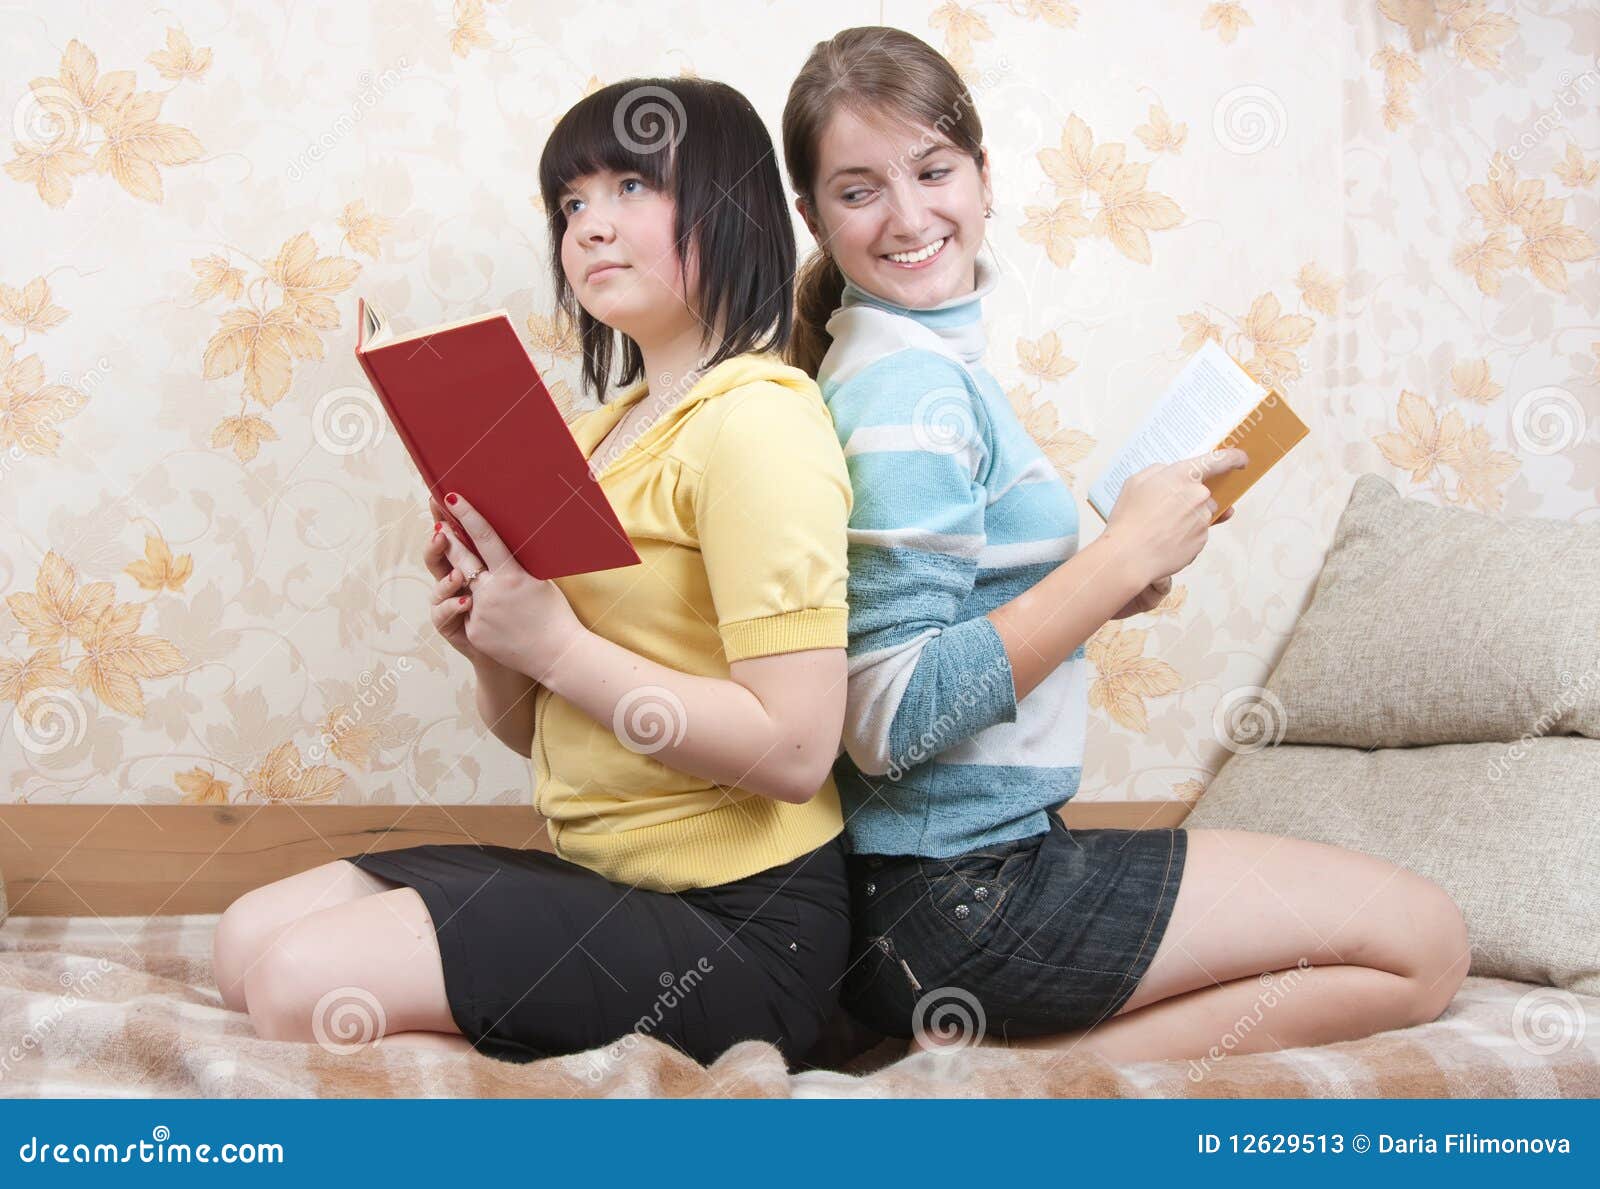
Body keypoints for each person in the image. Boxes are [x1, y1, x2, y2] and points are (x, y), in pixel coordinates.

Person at [780, 26, 1470, 1060]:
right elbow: (883, 715)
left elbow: (950, 624)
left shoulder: (905, 362)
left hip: (950, 895)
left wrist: (1107, 581)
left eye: (932, 170)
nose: (911, 215)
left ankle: (992, 1069)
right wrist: (1112, 562)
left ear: (982, 177)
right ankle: (1015, 1082)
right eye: (858, 188)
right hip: (957, 899)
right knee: (1424, 943)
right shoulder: (904, 387)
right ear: (812, 215)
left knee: (1401, 934)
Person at [213, 77, 855, 1069]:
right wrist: (496, 642)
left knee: (302, 981)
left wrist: (556, 641)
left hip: (750, 928)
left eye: (632, 186)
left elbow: (797, 750)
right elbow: (536, 733)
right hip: (607, 878)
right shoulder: (595, 437)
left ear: (731, 208)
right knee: (245, 942)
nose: (591, 226)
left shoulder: (760, 418)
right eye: (571, 204)